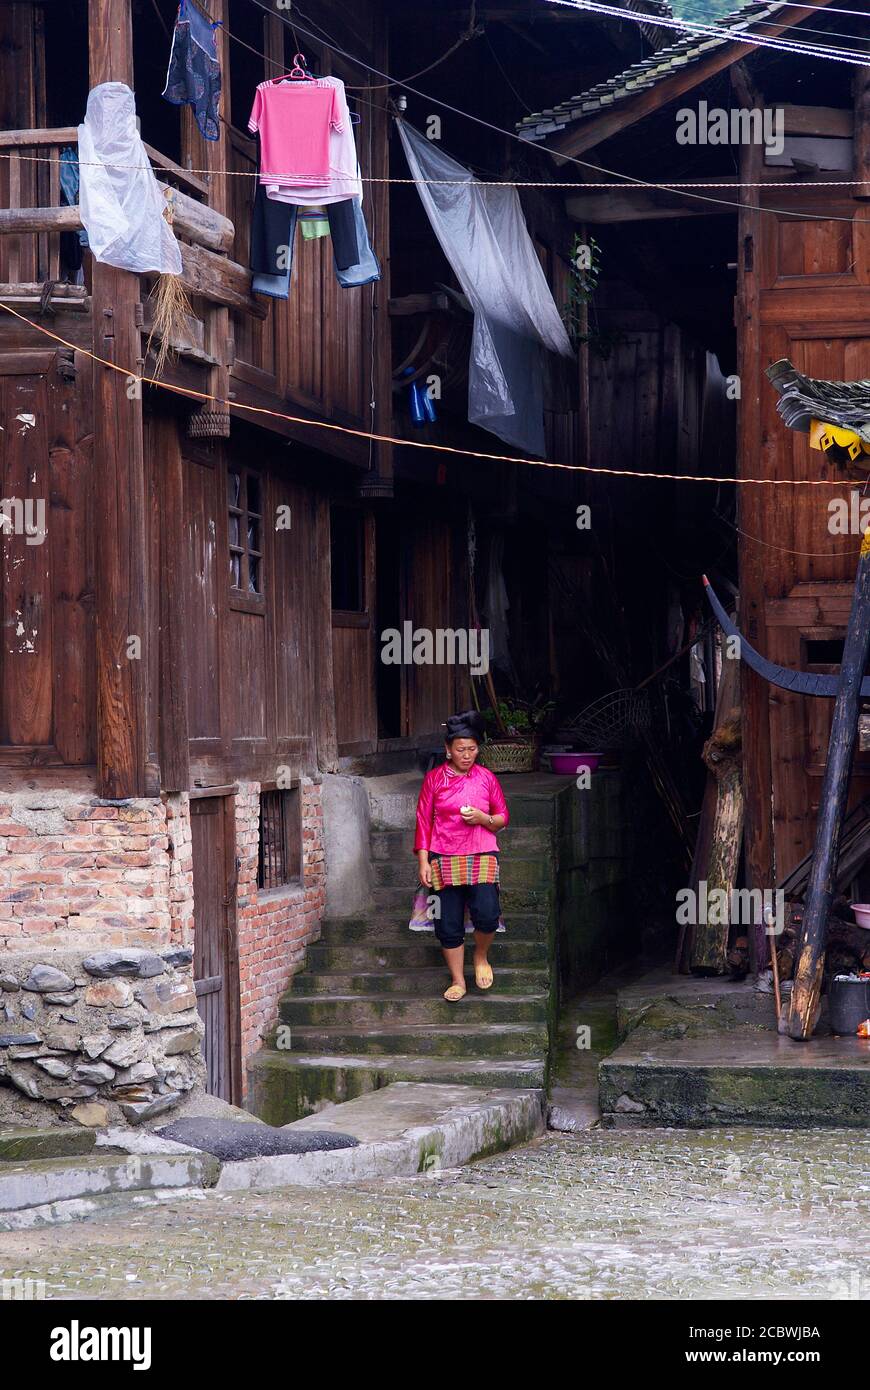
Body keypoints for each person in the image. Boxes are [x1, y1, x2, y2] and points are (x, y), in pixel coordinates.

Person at [413, 710, 509, 1002]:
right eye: (460, 750)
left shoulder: (487, 778)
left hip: (482, 853)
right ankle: (458, 980)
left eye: (472, 749)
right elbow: (423, 821)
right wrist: (423, 861)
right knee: (448, 922)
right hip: (443, 856)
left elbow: (502, 816)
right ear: (447, 750)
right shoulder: (433, 780)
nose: (467, 755)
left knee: (488, 913)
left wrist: (483, 818)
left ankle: (481, 956)